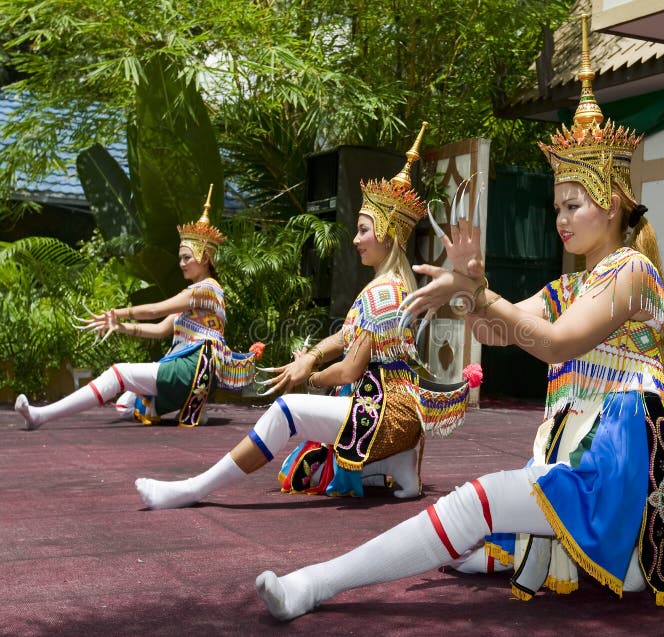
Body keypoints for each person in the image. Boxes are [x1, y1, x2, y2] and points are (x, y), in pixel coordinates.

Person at [252, 18, 664, 620]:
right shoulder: (573, 282)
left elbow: (557, 343)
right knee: (465, 540)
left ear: (611, 201)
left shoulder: (632, 273)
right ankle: (487, 551)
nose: (561, 218)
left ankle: (313, 584)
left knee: (471, 505)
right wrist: (468, 293)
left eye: (573, 204)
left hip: (615, 460)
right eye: (556, 206)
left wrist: (480, 297)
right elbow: (498, 332)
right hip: (580, 454)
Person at [134, 122, 476, 510]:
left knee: (287, 410)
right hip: (395, 408)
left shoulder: (381, 292)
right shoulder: (395, 287)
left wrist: (309, 377)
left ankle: (193, 489)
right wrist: (313, 355)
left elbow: (349, 371)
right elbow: (350, 338)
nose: (355, 239)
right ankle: (398, 462)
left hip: (384, 410)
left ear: (387, 233)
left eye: (363, 230)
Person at [14, 185, 259, 430]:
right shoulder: (195, 298)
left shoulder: (206, 290)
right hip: (189, 370)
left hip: (191, 368)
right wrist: (120, 326)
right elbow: (160, 328)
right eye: (180, 257)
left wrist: (119, 312)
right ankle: (182, 409)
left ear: (204, 259)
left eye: (187, 258)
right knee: (125, 403)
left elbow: (155, 310)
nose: (181, 263)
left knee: (118, 374)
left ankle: (41, 416)